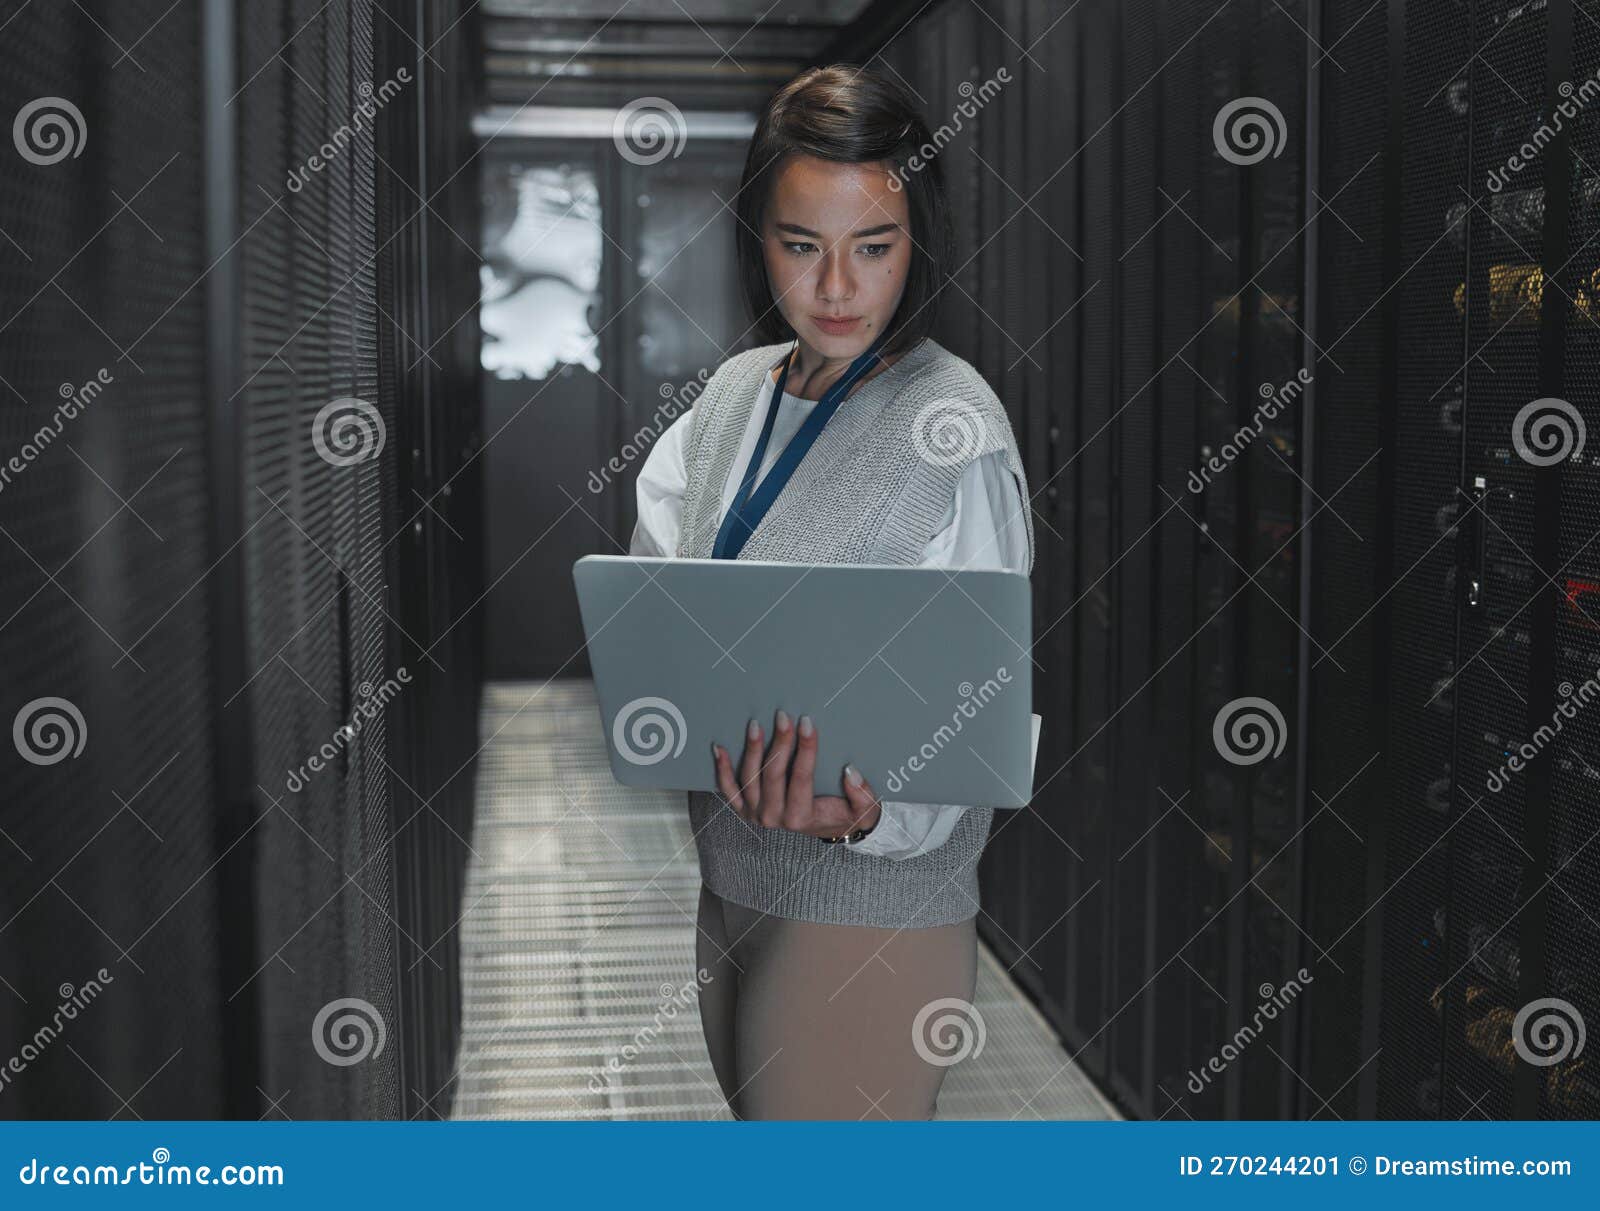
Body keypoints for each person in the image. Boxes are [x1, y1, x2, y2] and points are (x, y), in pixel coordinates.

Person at [627, 63, 1035, 1120]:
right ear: (758, 239)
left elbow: (968, 722)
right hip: (729, 884)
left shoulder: (953, 430)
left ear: (920, 241)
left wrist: (858, 822)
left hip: (872, 914)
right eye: (800, 244)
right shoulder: (727, 398)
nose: (837, 288)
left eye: (874, 245)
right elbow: (656, 612)